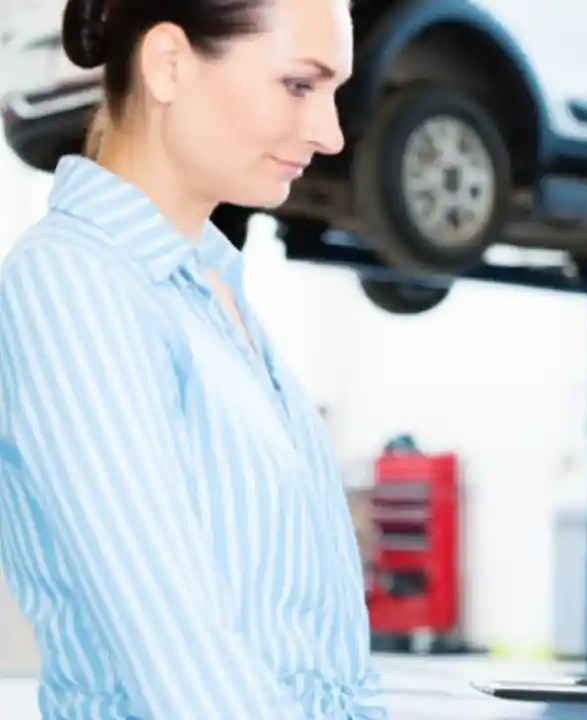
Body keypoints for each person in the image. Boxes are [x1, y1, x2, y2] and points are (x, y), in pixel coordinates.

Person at [0, 0, 385, 718]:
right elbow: (188, 669)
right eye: (300, 85)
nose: (330, 134)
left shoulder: (209, 287)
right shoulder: (73, 285)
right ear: (169, 65)